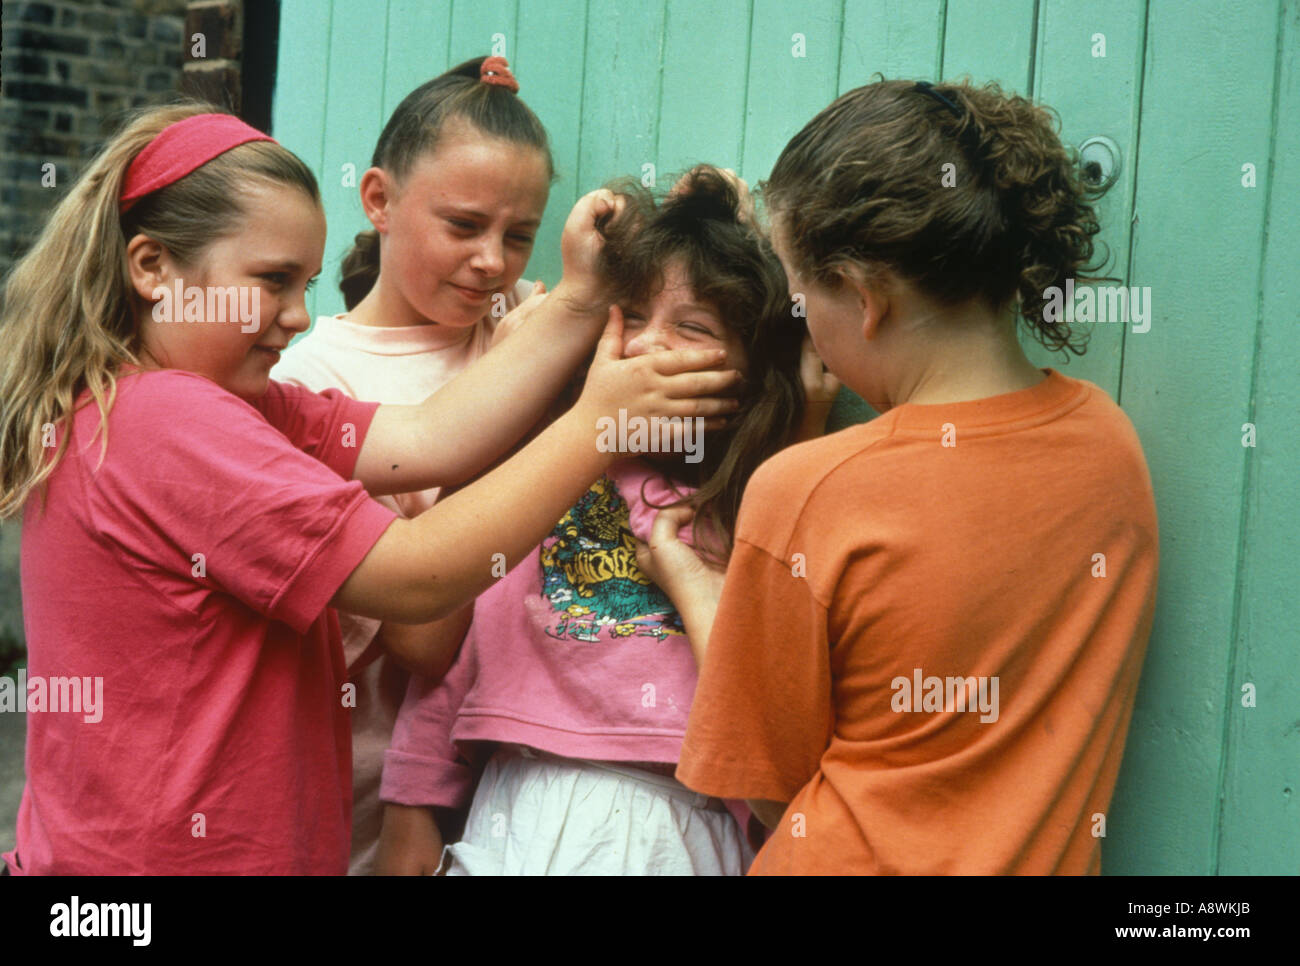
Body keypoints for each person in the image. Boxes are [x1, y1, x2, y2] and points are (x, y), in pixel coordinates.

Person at [0, 104, 739, 875]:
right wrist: (599, 424)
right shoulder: (167, 419)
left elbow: (430, 435)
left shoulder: (212, 404)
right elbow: (417, 575)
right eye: (272, 281)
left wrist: (581, 299)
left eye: (307, 282)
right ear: (151, 267)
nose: (296, 316)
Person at [638, 79, 1159, 874]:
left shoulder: (807, 489)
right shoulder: (1109, 447)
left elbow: (773, 786)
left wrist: (693, 585)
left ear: (864, 297)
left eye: (802, 290)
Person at [375, 167, 826, 875]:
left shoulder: (751, 513)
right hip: (513, 819)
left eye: (693, 327)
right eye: (633, 316)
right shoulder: (548, 481)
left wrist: (805, 424)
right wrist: (409, 809)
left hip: (681, 829)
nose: (647, 345)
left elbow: (774, 728)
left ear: (750, 376)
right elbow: (455, 657)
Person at [270, 55, 551, 875]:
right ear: (380, 200)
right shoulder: (313, 383)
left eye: (520, 235)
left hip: (503, 805)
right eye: (464, 226)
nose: (494, 260)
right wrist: (503, 396)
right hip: (358, 805)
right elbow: (423, 642)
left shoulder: (531, 342)